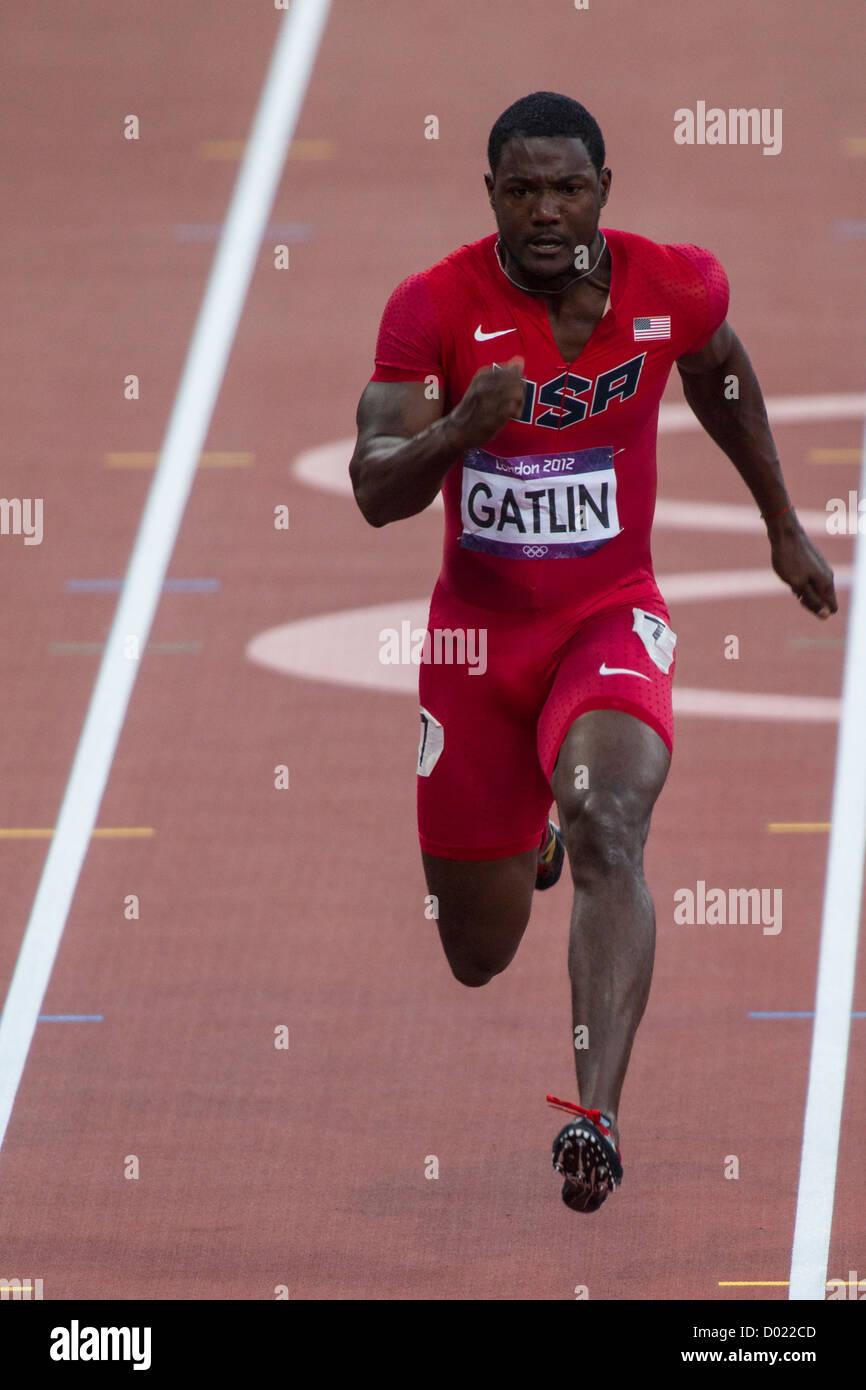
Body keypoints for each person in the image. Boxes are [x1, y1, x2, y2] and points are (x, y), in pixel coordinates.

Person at [349, 91, 837, 1212]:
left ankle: (594, 1117)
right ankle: (524, 826)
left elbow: (714, 368)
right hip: (475, 649)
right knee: (475, 956)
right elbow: (375, 489)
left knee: (608, 821)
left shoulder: (674, 282)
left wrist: (778, 522)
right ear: (490, 198)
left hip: (607, 617)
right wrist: (457, 431)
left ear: (603, 193)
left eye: (566, 187)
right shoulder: (429, 307)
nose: (544, 211)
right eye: (519, 190)